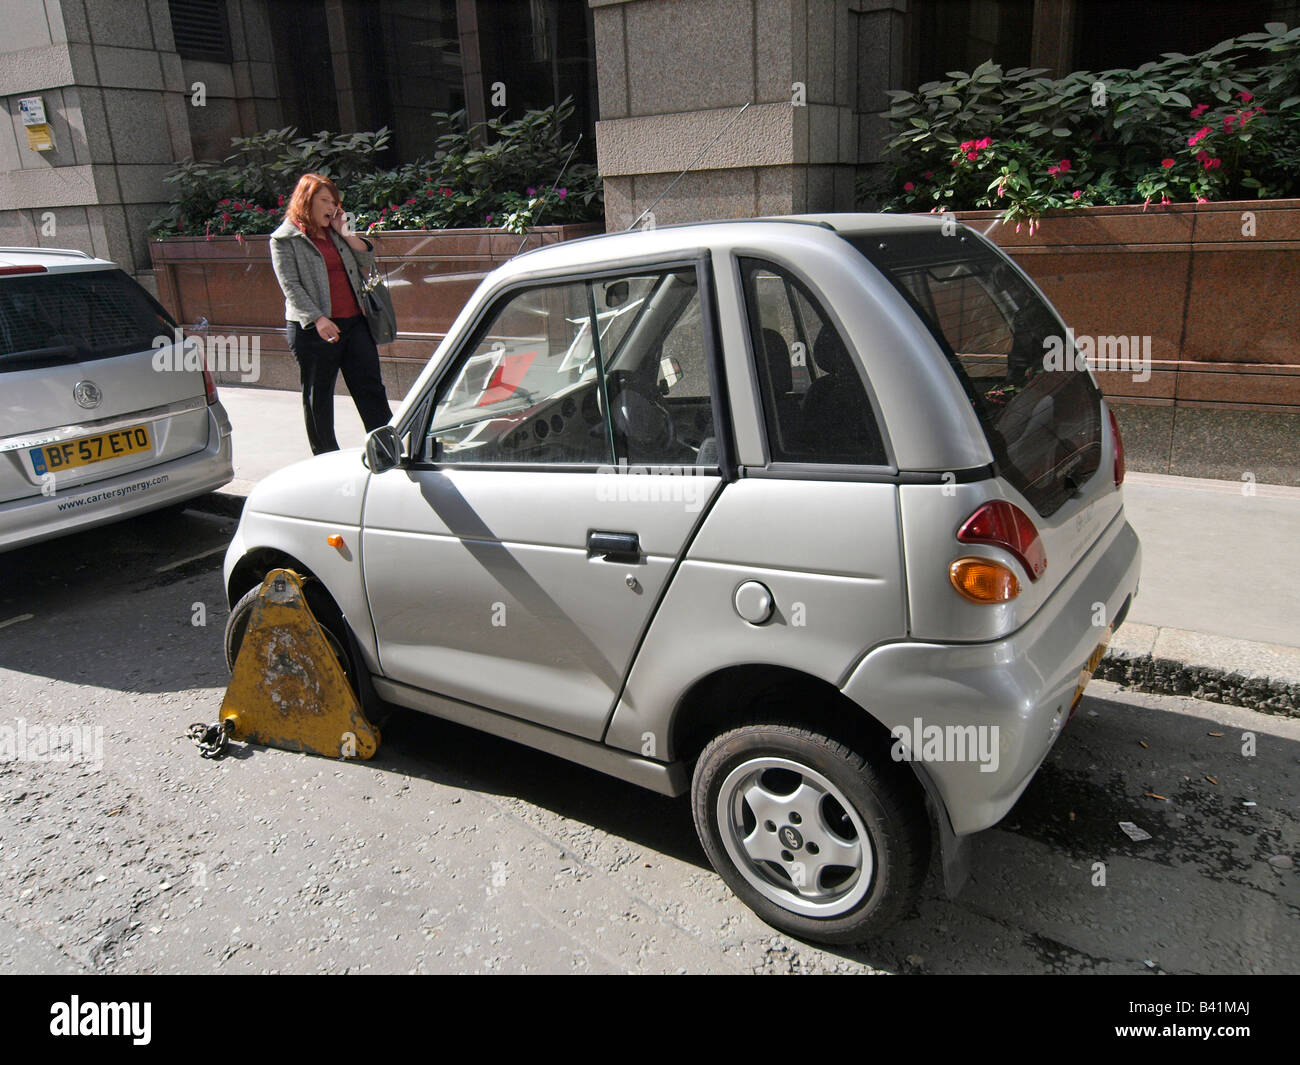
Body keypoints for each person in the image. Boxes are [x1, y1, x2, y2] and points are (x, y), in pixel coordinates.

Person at [270, 173, 392, 454]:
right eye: (325, 200)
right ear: (306, 201)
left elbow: (366, 260)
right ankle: (325, 458)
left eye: (334, 201)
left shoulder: (336, 232)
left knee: (371, 388)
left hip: (354, 322)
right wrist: (317, 318)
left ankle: (388, 450)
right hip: (314, 328)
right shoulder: (284, 238)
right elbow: (290, 285)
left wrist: (346, 232)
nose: (331, 206)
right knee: (319, 397)